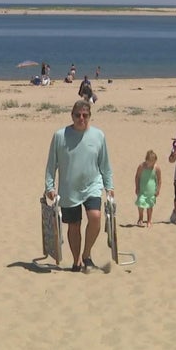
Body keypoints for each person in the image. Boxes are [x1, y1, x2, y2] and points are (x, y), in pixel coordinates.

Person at [45, 100, 114, 271]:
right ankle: (77, 261)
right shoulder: (60, 135)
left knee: (95, 217)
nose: (81, 119)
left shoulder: (99, 135)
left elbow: (105, 165)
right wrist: (50, 187)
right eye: (78, 115)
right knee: (74, 226)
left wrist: (109, 186)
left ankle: (86, 254)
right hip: (69, 189)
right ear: (72, 115)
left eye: (85, 115)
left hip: (92, 185)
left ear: (90, 116)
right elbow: (51, 164)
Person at [134, 150, 161, 228]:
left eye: (154, 162)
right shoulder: (141, 166)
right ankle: (140, 218)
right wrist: (137, 187)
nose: (152, 164)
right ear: (146, 160)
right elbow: (137, 177)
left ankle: (149, 220)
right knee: (140, 204)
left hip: (152, 191)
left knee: (150, 206)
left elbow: (159, 180)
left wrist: (158, 190)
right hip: (142, 190)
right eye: (151, 162)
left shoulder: (156, 168)